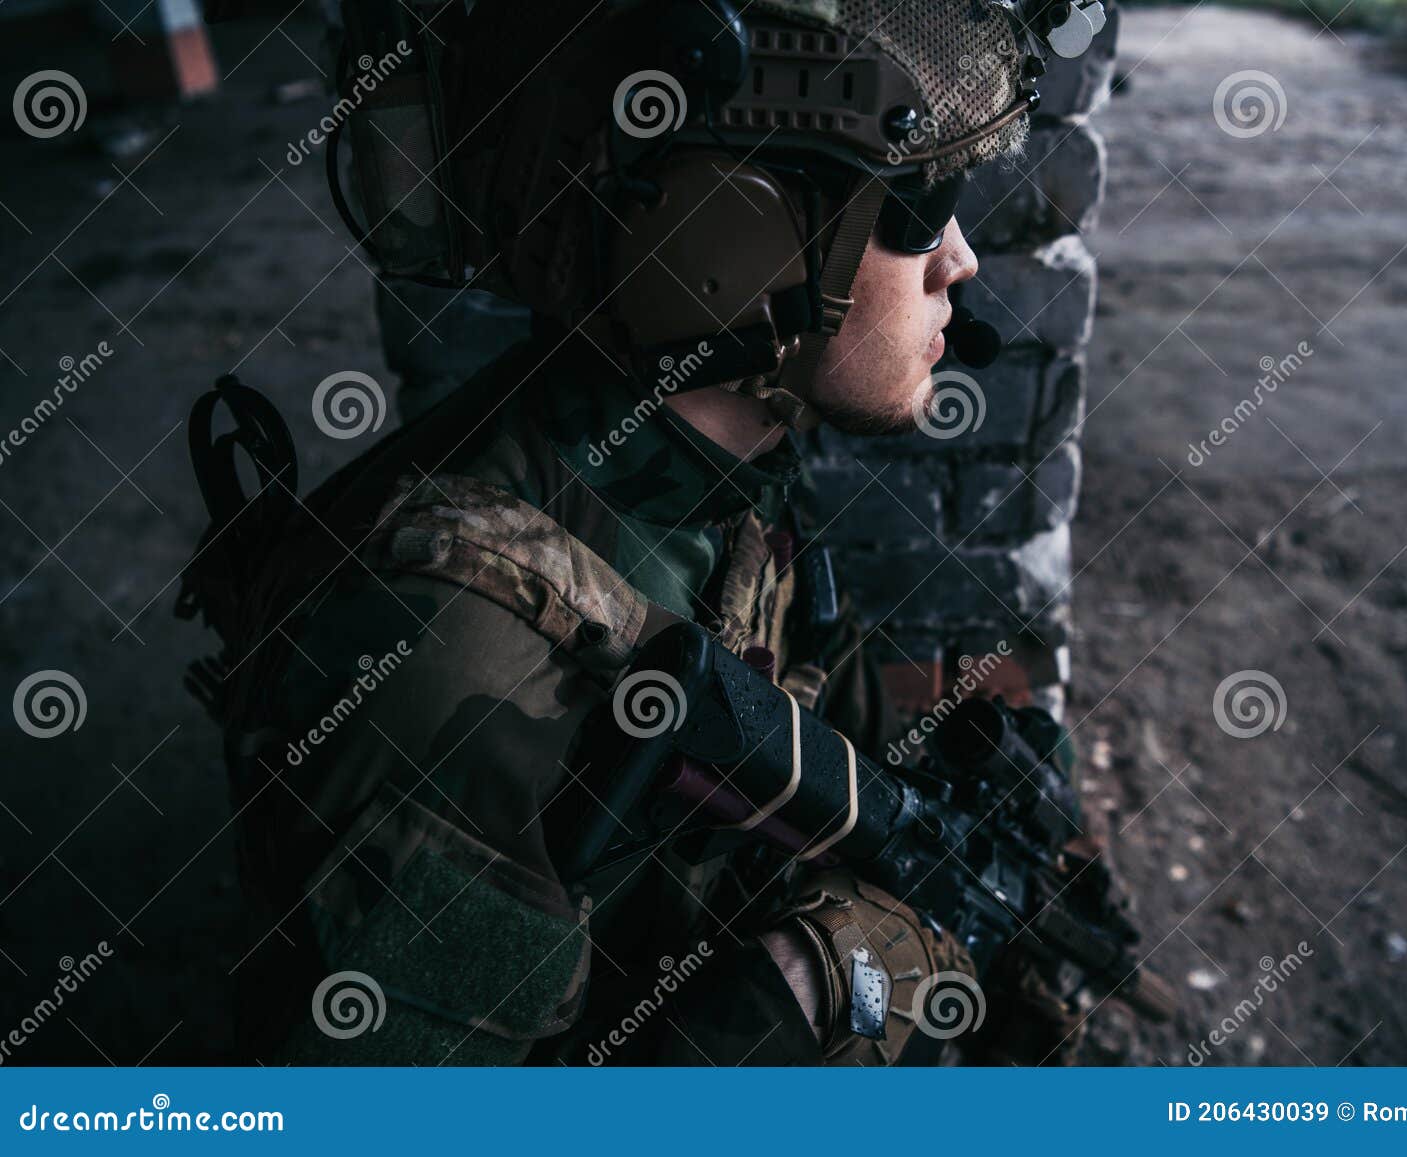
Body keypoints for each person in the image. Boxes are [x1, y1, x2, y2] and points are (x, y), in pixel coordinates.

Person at [185, 0, 1107, 1065]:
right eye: (919, 207)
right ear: (729, 240)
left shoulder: (717, 455)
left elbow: (796, 680)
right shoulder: (443, 652)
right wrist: (802, 992)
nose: (961, 261)